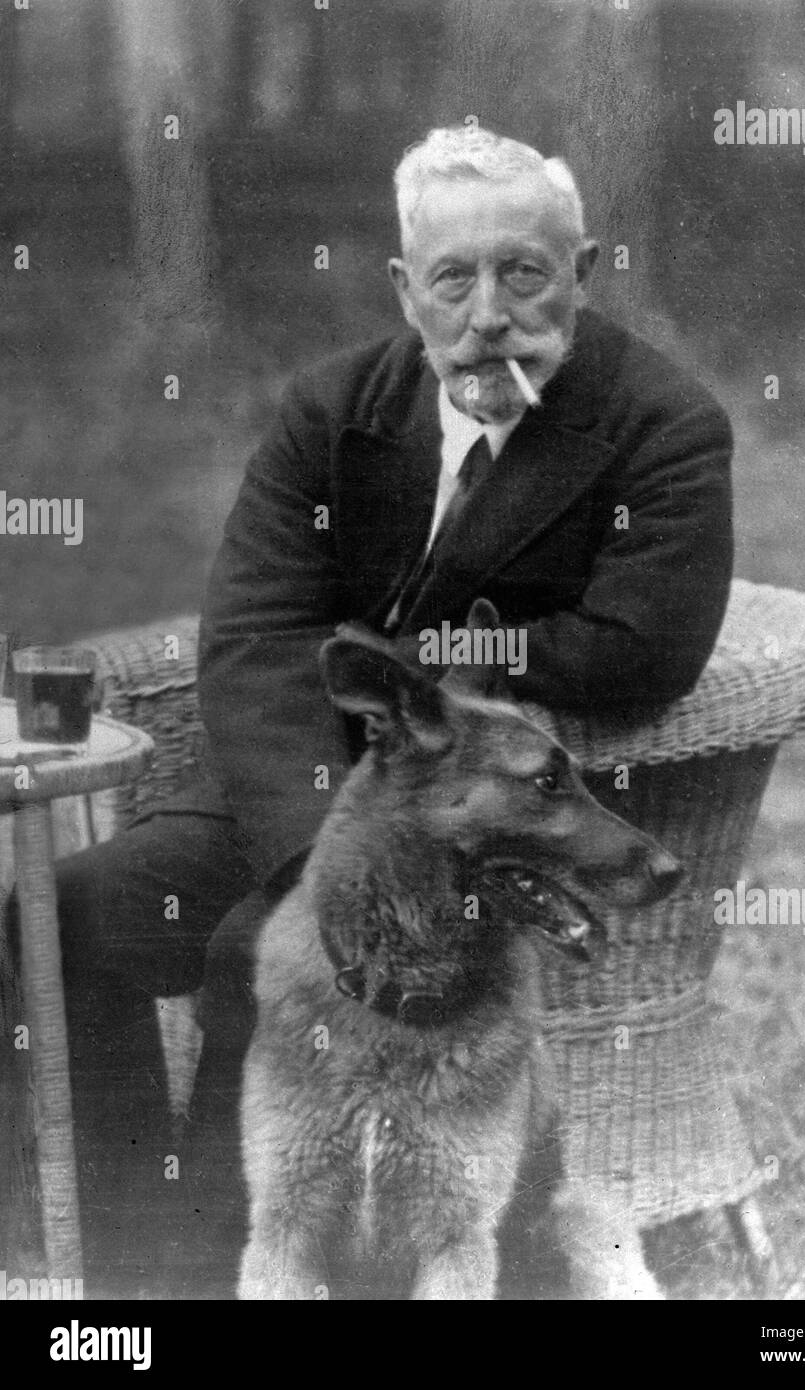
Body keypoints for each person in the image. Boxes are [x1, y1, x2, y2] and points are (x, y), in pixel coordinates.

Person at [5, 126, 734, 1296]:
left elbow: (643, 646)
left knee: (260, 950)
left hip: (475, 833)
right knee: (79, 913)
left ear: (583, 271)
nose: (488, 312)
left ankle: (229, 1271)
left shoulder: (662, 426)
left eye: (524, 273)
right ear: (407, 288)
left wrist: (421, 662)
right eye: (454, 279)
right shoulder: (329, 410)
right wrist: (312, 858)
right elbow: (253, 637)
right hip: (286, 795)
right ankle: (137, 1254)